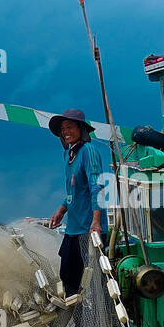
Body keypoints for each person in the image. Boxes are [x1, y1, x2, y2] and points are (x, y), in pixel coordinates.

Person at [46, 109, 108, 296]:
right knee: (67, 274)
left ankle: (97, 321)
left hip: (87, 229)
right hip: (73, 227)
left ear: (81, 129)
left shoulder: (88, 151)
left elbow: (96, 187)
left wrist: (96, 221)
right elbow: (74, 190)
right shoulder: (69, 155)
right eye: (63, 129)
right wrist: (62, 209)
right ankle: (77, 320)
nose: (66, 132)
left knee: (93, 279)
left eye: (70, 127)